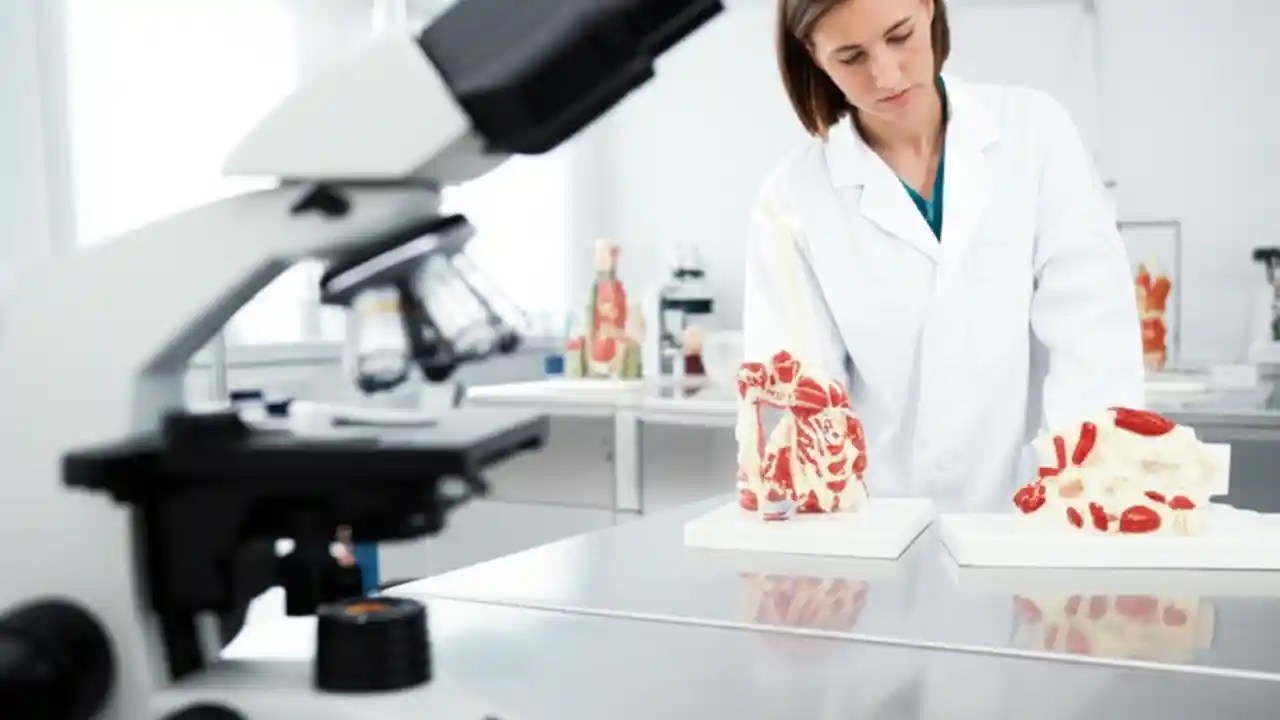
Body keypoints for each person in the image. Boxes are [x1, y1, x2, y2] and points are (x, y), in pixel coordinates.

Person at [742, 0, 1144, 512]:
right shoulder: (793, 198)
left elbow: (1093, 343)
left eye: (899, 36)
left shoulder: (1033, 133)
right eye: (851, 57)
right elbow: (800, 401)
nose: (887, 74)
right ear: (814, 56)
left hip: (1032, 516)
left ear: (928, 8)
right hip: (872, 529)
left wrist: (1078, 504)